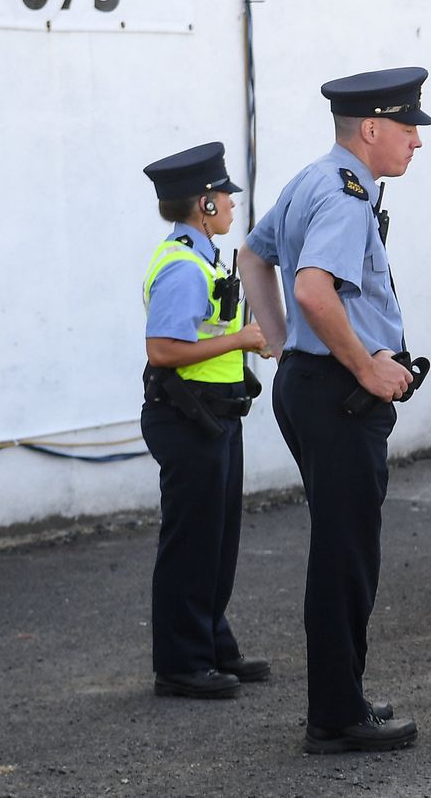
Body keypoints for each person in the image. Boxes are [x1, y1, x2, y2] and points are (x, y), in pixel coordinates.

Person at [238, 67, 430, 754]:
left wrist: (287, 348)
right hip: (338, 398)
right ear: (372, 128)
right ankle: (336, 717)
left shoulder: (314, 178)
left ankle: (340, 697)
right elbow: (314, 288)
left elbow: (252, 256)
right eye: (408, 127)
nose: (417, 141)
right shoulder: (346, 196)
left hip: (310, 385)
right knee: (346, 556)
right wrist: (365, 366)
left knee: (339, 548)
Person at [141, 142, 271, 700]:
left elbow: (200, 336)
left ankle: (212, 645)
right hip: (188, 417)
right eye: (225, 195)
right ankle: (181, 663)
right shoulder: (183, 266)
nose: (232, 204)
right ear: (204, 203)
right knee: (192, 541)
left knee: (217, 540)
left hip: (213, 416)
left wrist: (240, 341)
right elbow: (163, 349)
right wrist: (242, 337)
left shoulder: (200, 257)